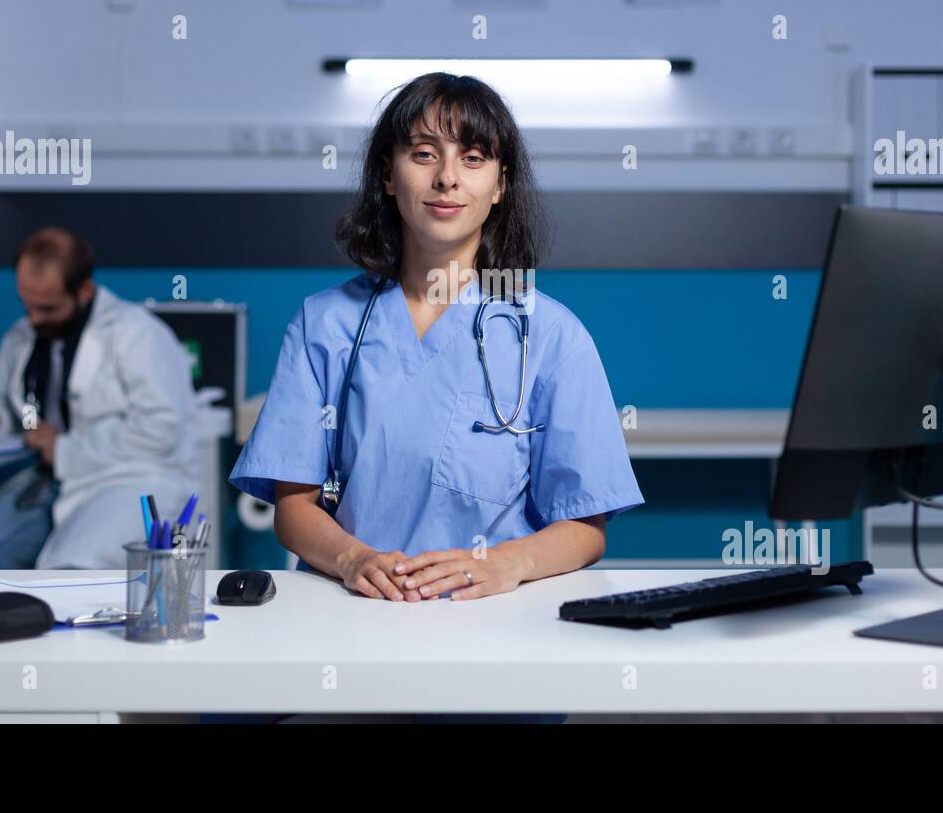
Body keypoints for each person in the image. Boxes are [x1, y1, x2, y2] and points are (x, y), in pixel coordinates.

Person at [230, 73, 643, 606]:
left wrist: (504, 564)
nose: (447, 178)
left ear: (499, 186)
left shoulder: (549, 335)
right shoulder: (324, 324)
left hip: (494, 617)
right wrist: (353, 559)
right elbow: (294, 506)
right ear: (387, 175)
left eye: (472, 159)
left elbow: (587, 528)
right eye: (424, 154)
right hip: (354, 611)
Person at [0, 228, 199, 569]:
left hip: (127, 477)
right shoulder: (24, 334)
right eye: (27, 305)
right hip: (51, 479)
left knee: (72, 569)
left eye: (47, 308)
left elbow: (160, 429)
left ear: (84, 290)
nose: (34, 319)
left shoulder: (136, 334)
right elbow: (4, 401)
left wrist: (64, 447)